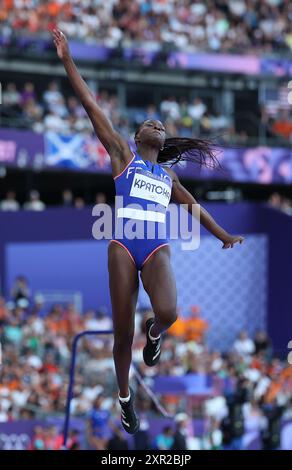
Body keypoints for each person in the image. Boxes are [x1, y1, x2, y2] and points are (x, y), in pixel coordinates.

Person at [53, 29, 244, 435]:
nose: (156, 124)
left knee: (170, 313)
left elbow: (194, 207)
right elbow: (90, 104)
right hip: (122, 244)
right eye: (149, 123)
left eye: (160, 124)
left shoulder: (168, 176)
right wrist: (68, 59)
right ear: (140, 138)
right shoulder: (123, 155)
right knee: (121, 334)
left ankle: (153, 333)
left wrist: (223, 235)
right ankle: (125, 399)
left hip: (156, 245)